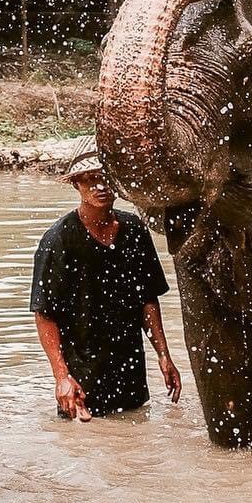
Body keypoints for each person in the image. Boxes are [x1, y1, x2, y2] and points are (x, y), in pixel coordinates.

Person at [30, 150, 181, 420]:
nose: (99, 187)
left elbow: (147, 299)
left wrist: (164, 355)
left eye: (105, 178)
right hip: (81, 382)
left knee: (135, 440)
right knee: (86, 449)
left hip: (131, 373)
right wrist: (61, 377)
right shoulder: (58, 239)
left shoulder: (134, 230)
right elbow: (44, 314)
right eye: (89, 180)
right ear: (77, 185)